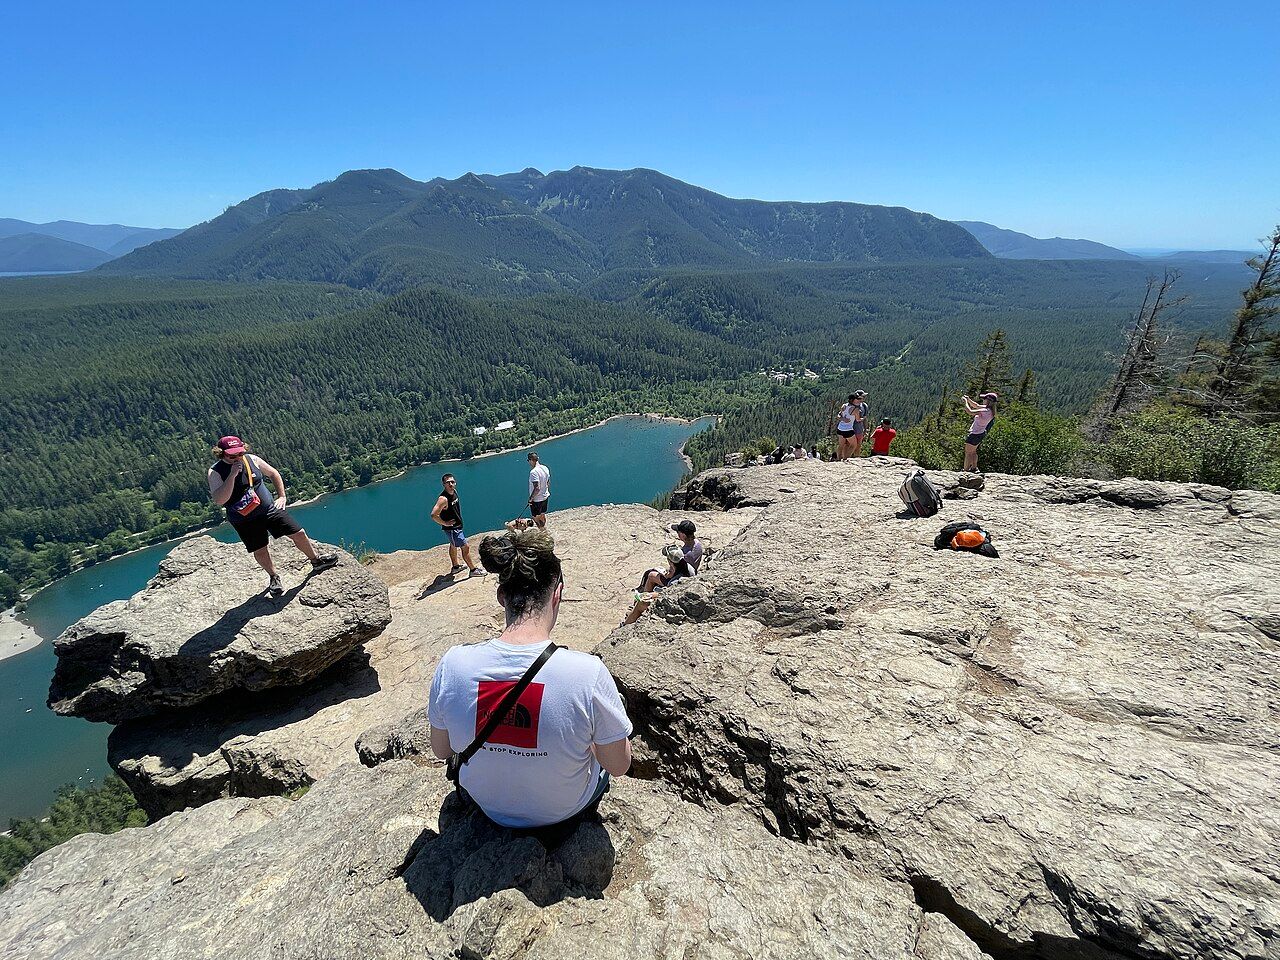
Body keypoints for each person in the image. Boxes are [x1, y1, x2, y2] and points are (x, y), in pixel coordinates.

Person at [428, 530, 632, 837]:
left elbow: (441, 750)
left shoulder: (453, 665)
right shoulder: (587, 673)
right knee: (608, 717)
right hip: (564, 811)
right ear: (557, 593)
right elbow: (618, 766)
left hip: (487, 806)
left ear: (501, 597)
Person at [207, 435, 337, 597]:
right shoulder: (216, 472)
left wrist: (282, 496)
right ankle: (274, 577)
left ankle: (316, 561)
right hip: (244, 519)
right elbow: (220, 499)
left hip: (268, 509)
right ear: (221, 453)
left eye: (240, 453)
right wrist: (232, 475)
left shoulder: (251, 459)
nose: (238, 457)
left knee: (299, 533)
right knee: (260, 549)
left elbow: (273, 473)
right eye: (232, 455)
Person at [624, 545, 696, 625]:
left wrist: (649, 595)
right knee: (651, 577)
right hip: (682, 597)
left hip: (671, 607)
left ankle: (626, 624)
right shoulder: (688, 568)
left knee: (640, 604)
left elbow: (666, 594)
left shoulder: (674, 582)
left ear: (670, 562)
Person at [431, 474, 482, 577]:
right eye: (448, 482)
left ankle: (455, 567)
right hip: (453, 529)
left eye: (452, 482)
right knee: (465, 547)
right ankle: (473, 570)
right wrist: (445, 523)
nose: (450, 484)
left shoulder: (454, 492)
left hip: (457, 526)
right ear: (443, 484)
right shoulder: (443, 499)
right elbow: (433, 515)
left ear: (455, 482)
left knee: (453, 545)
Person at [961, 392, 998, 472]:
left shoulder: (984, 411)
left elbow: (970, 411)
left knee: (968, 453)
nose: (983, 400)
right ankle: (974, 468)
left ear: (988, 401)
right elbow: (976, 405)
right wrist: (969, 399)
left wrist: (965, 402)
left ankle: (965, 470)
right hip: (981, 433)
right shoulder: (990, 410)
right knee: (973, 451)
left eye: (984, 399)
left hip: (974, 434)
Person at [835, 391, 870, 460]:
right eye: (859, 398)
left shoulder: (845, 405)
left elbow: (840, 414)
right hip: (849, 429)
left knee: (842, 445)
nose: (861, 399)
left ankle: (839, 459)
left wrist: (843, 419)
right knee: (853, 445)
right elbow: (858, 419)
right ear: (854, 399)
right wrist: (863, 418)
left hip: (841, 428)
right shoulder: (855, 409)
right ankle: (846, 459)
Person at [527, 452, 551, 529]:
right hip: (545, 496)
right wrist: (545, 491)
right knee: (542, 514)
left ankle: (542, 531)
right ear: (538, 459)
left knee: (536, 517)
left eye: (528, 460)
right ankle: (544, 529)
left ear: (531, 460)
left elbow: (537, 488)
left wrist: (530, 499)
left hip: (537, 499)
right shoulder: (545, 468)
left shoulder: (533, 472)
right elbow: (548, 482)